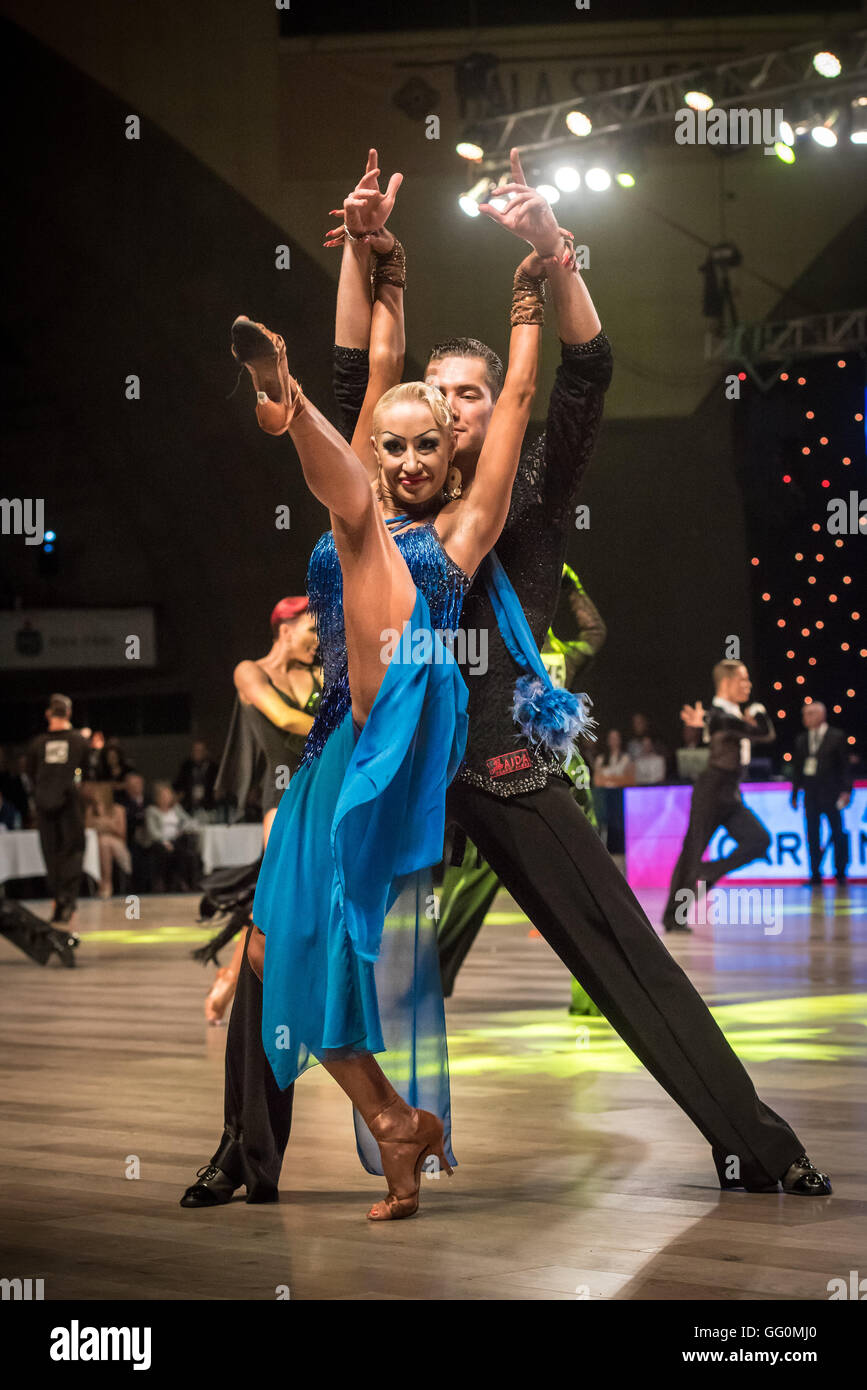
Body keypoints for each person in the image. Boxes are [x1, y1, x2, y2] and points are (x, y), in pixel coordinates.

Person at [180, 148, 830, 1213]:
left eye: (467, 395)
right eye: (433, 394)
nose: (446, 409)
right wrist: (368, 255)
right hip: (371, 752)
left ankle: (754, 1144)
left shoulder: (526, 490)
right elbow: (356, 376)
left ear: (487, 410)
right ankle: (245, 1156)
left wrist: (550, 257)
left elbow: (584, 368)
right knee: (279, 933)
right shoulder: (383, 477)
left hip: (494, 757)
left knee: (618, 946)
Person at [188, 149, 547, 1223]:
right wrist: (373, 253)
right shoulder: (371, 483)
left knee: (350, 520)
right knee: (274, 954)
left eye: (427, 446)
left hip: (398, 733)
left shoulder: (462, 526)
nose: (408, 461)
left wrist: (534, 283)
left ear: (449, 451)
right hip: (330, 744)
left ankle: (284, 402)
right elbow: (384, 351)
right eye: (391, 446)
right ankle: (396, 1122)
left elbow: (517, 394)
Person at [436, 561, 605, 1006]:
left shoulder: (503, 646)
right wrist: (573, 584)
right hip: (563, 778)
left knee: (469, 888)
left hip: (504, 777)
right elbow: (595, 632)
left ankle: (429, 983)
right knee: (582, 886)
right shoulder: (562, 654)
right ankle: (592, 999)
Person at [199, 596, 322, 1024]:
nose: (319, 640)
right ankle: (237, 980)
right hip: (284, 795)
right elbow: (284, 719)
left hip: (326, 790)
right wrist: (347, 730)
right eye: (312, 630)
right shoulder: (249, 672)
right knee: (276, 901)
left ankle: (243, 980)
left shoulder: (318, 673)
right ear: (285, 630)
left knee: (300, 899)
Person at [662, 660, 775, 934]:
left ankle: (709, 872)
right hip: (712, 790)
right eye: (742, 679)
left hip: (731, 792)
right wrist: (758, 710)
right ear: (726, 682)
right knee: (692, 852)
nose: (748, 685)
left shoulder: (727, 716)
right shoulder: (721, 716)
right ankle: (673, 917)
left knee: (759, 840)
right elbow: (764, 732)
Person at [28, 694, 89, 924]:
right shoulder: (79, 741)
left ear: (48, 714)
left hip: (44, 804)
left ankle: (59, 900)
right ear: (69, 713)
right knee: (72, 851)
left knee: (51, 853)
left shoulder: (37, 744)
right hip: (69, 804)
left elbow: (31, 774)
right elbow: (86, 772)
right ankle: (66, 901)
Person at [791, 702, 852, 885]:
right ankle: (815, 873)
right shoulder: (802, 739)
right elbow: (797, 769)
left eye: (810, 714)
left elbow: (845, 767)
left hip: (832, 793)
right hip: (811, 794)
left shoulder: (836, 736)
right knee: (812, 834)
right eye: (804, 714)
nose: (806, 718)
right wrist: (794, 793)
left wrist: (846, 790)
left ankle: (840, 872)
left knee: (837, 832)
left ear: (821, 715)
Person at [141, 783, 202, 892]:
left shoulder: (176, 808)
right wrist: (164, 841)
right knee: (164, 851)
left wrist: (183, 829)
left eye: (168, 795)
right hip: (158, 842)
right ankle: (163, 884)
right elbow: (152, 832)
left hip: (176, 840)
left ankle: (185, 883)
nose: (166, 798)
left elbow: (188, 821)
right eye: (163, 796)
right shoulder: (151, 810)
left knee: (187, 852)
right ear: (157, 797)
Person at [83, 784, 131, 900]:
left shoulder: (118, 810)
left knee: (104, 842)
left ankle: (106, 883)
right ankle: (102, 883)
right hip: (95, 847)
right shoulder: (91, 810)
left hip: (118, 846)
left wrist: (107, 825)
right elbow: (86, 830)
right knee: (102, 842)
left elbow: (122, 834)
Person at [593, 729, 634, 853]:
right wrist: (616, 778)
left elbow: (629, 780)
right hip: (604, 798)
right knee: (604, 826)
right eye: (611, 738)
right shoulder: (601, 759)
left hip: (620, 798)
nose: (613, 741)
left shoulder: (626, 758)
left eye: (616, 738)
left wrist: (608, 779)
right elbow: (597, 780)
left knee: (619, 827)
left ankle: (620, 851)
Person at [173, 739, 218, 818]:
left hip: (208, 806)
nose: (197, 753)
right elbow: (179, 784)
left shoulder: (213, 768)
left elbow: (217, 786)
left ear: (205, 752)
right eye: (195, 750)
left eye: (200, 750)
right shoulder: (186, 766)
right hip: (189, 806)